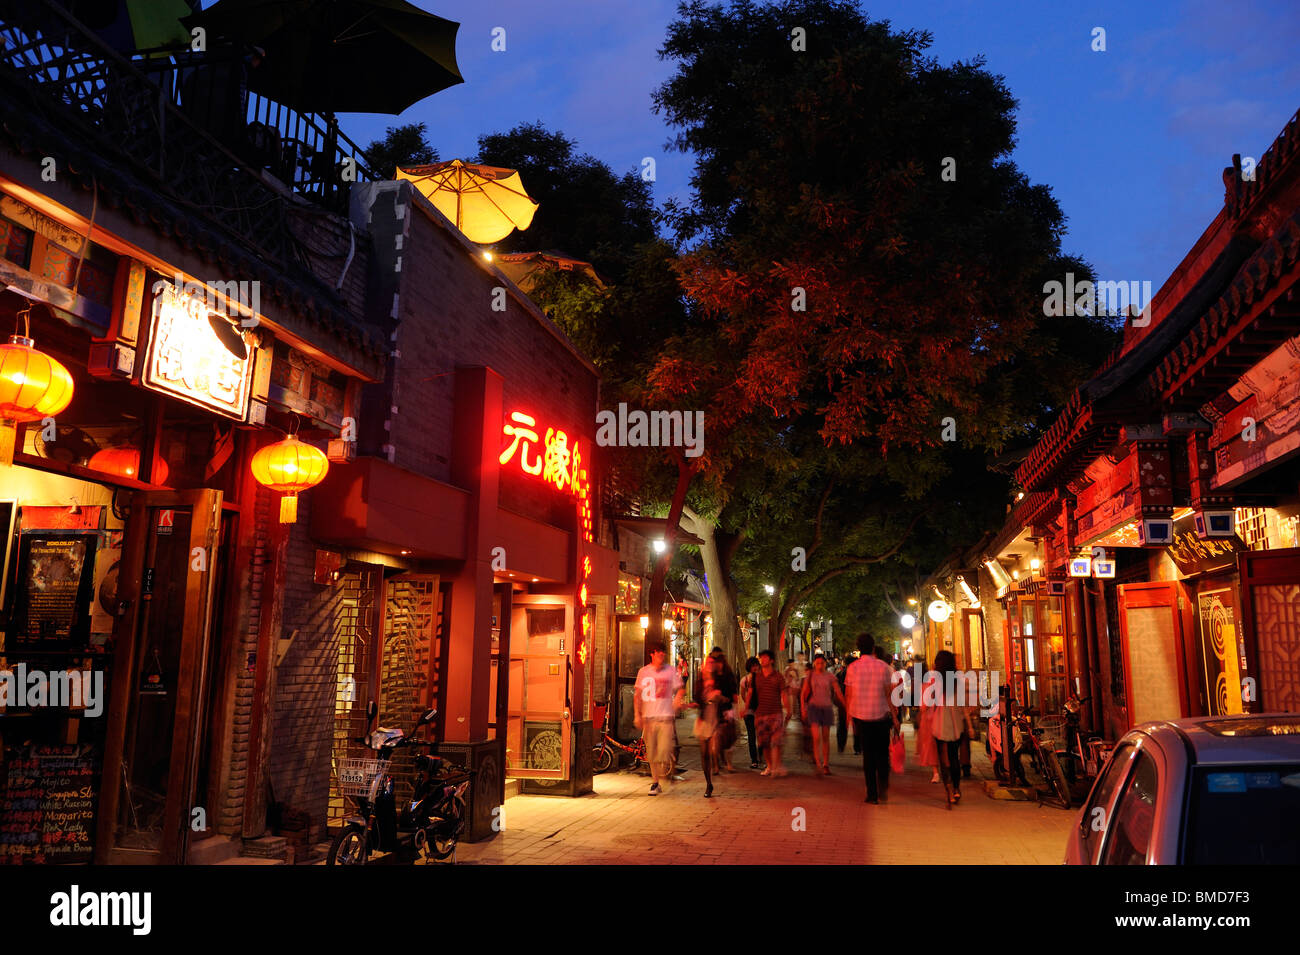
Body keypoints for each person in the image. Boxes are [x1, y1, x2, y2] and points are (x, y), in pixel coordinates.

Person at [844, 634, 899, 803]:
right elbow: (888, 694)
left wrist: (848, 717)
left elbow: (849, 695)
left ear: (859, 648)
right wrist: (895, 716)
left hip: (862, 717)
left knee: (868, 756)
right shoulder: (883, 667)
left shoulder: (853, 668)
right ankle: (883, 784)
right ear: (873, 647)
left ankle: (872, 794)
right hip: (882, 716)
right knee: (882, 754)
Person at [633, 642, 685, 795]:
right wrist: (637, 714)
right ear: (652, 654)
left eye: (663, 653)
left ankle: (665, 772)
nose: (661, 655)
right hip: (649, 718)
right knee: (652, 753)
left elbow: (680, 689)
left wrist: (677, 700)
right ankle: (655, 783)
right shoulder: (644, 672)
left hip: (666, 718)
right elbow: (638, 695)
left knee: (663, 751)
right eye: (658, 653)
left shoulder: (671, 671)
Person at [931, 650, 977, 806]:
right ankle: (957, 788)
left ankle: (948, 789)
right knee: (953, 756)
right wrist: (969, 726)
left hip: (939, 722)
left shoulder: (935, 680)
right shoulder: (959, 680)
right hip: (956, 723)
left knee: (942, 758)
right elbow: (964, 706)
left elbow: (932, 702)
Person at [693, 647, 737, 797]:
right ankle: (708, 783)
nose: (709, 665)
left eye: (712, 663)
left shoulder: (721, 679)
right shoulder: (700, 681)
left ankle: (719, 766)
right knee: (704, 753)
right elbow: (696, 697)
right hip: (704, 718)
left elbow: (729, 697)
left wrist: (720, 697)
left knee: (714, 748)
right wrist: (704, 698)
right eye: (707, 662)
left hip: (718, 718)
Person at [800, 653, 846, 774]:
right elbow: (803, 693)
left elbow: (838, 691)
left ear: (825, 663)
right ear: (814, 663)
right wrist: (803, 709)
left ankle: (826, 764)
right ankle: (818, 763)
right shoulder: (810, 676)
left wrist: (845, 705)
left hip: (826, 708)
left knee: (825, 737)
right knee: (816, 737)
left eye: (822, 663)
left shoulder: (830, 676)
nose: (820, 665)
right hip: (813, 708)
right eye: (818, 663)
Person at [748, 649, 789, 777]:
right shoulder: (756, 677)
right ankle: (770, 766)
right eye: (761, 658)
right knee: (764, 743)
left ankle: (776, 767)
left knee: (776, 741)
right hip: (760, 714)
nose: (762, 660)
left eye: (765, 657)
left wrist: (788, 708)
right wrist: (746, 709)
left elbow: (783, 693)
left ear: (771, 660)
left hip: (775, 713)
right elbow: (750, 693)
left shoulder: (778, 676)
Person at [917, 664, 941, 783]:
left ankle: (936, 772)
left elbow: (923, 705)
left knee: (932, 746)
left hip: (931, 718)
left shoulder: (926, 684)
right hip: (940, 718)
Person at [738, 657, 763, 769]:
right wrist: (747, 705)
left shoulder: (763, 678)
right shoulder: (745, 680)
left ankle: (761, 756)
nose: (755, 667)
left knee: (761, 735)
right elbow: (743, 694)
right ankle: (754, 759)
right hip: (749, 712)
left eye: (756, 665)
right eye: (753, 666)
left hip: (761, 710)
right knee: (752, 736)